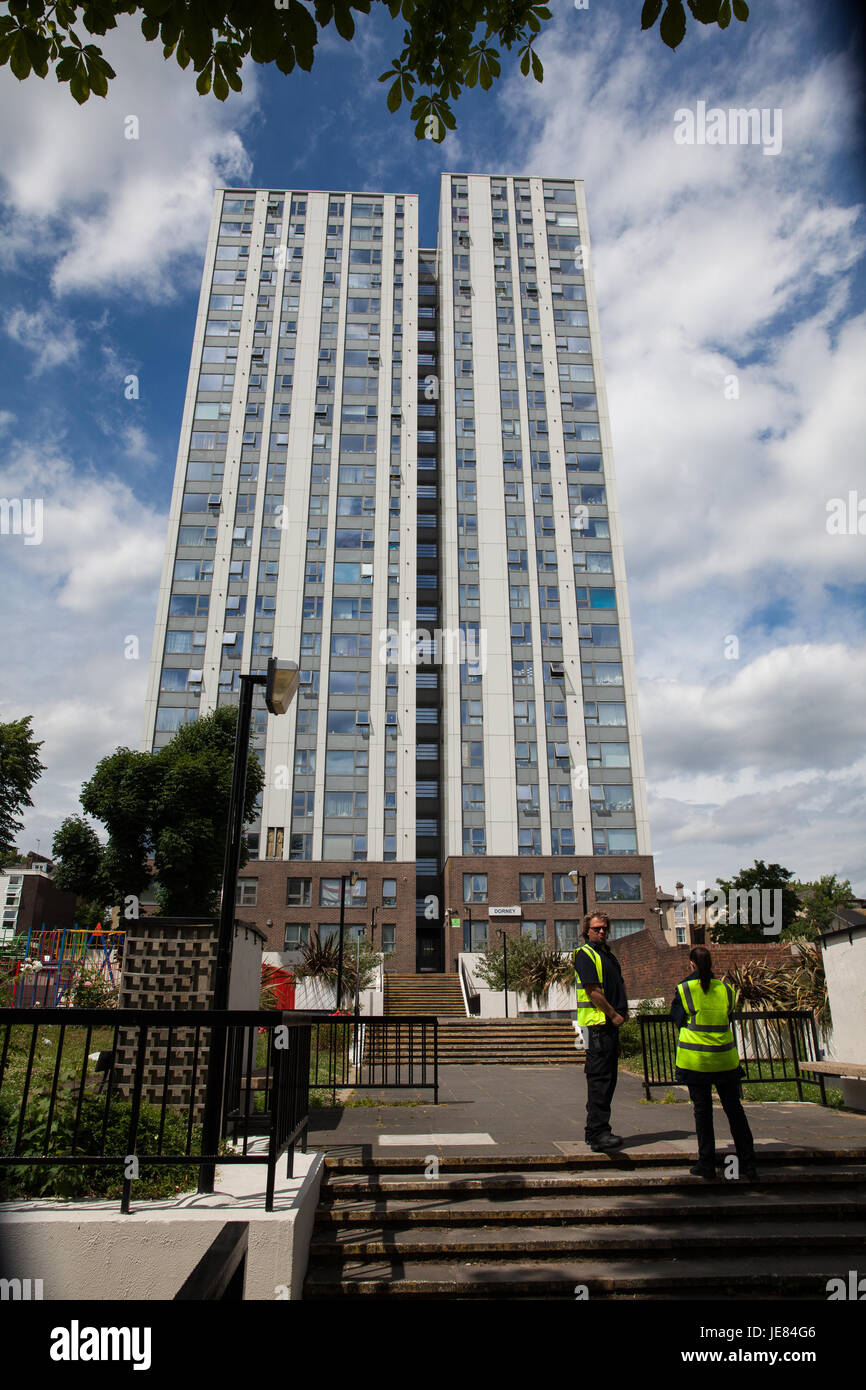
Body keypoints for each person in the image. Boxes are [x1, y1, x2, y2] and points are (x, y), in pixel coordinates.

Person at [670, 945, 758, 1181]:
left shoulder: (685, 989)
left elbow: (678, 1019)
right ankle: (748, 1163)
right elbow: (728, 1016)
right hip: (725, 1060)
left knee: (703, 1112)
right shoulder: (727, 990)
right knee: (734, 1111)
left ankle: (706, 1164)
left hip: (696, 1061)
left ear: (691, 964)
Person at [573, 911, 628, 1152]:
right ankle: (597, 1134)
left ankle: (596, 1130)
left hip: (608, 1026)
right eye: (597, 928)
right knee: (600, 1080)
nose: (602, 931)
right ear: (586, 931)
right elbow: (592, 990)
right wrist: (614, 1014)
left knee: (608, 1080)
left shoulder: (609, 956)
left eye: (605, 928)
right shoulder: (585, 955)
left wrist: (623, 1011)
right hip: (597, 1025)